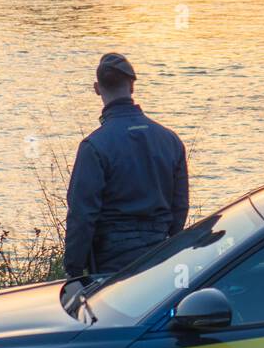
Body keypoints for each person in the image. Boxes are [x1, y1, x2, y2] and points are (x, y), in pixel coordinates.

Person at [64, 53, 189, 279]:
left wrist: (73, 269)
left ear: (97, 88)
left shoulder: (94, 146)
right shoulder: (170, 140)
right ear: (132, 87)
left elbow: (82, 216)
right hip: (158, 256)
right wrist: (168, 246)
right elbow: (179, 206)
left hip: (111, 263)